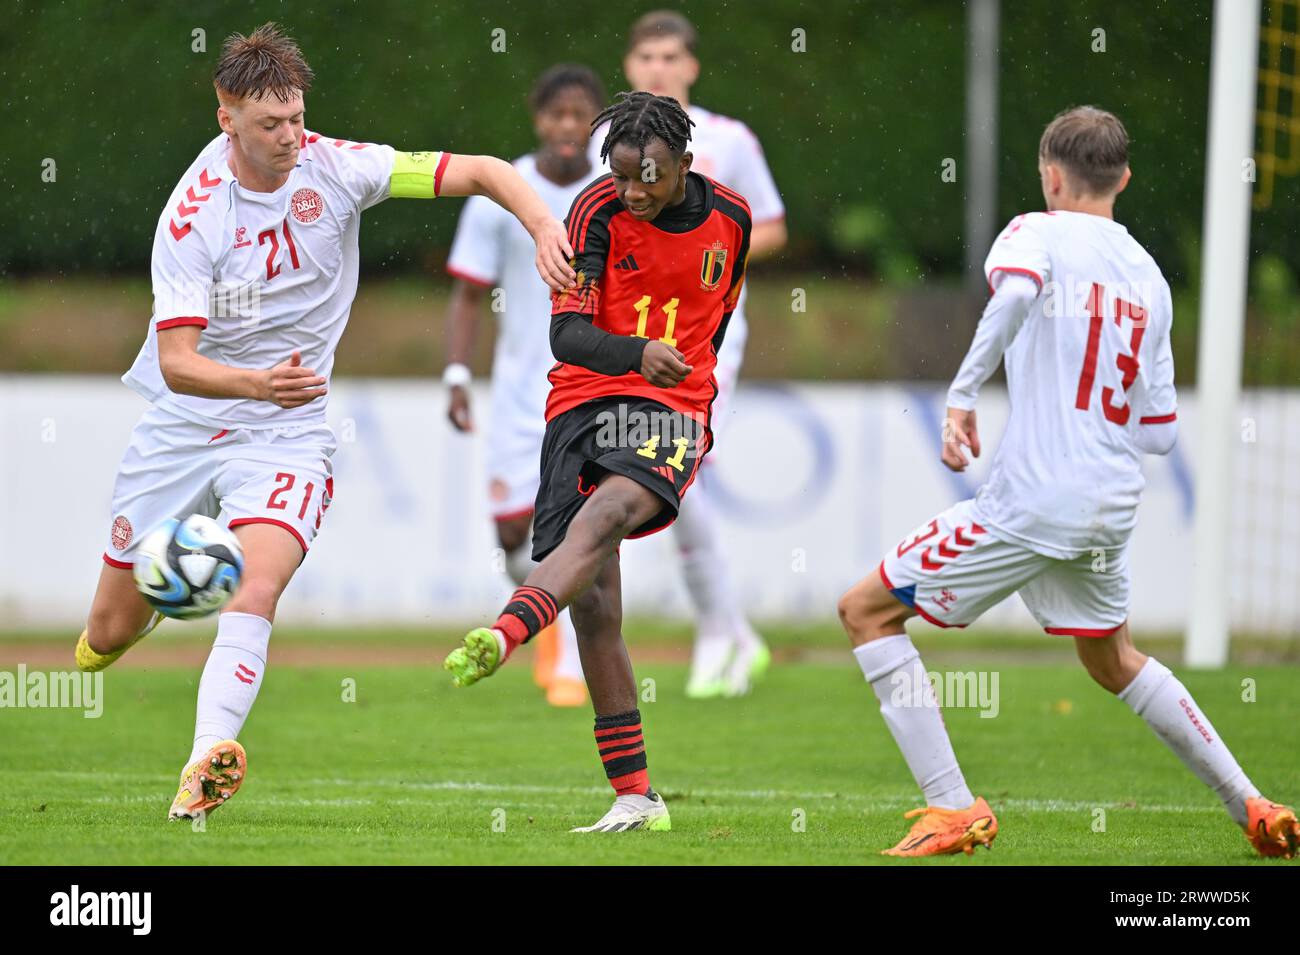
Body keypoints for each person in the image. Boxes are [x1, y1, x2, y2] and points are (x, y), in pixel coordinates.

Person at [75, 22, 574, 821]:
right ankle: (143, 608)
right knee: (107, 629)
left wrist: (543, 224)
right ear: (225, 117)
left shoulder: (340, 167)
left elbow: (479, 170)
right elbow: (177, 361)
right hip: (186, 420)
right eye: (270, 123)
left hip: (290, 427)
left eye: (298, 117)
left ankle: (204, 762)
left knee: (254, 584)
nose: (290, 136)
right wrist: (253, 381)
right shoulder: (192, 215)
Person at [835, 106, 1299, 859]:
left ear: (1051, 174)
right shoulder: (1150, 274)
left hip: (1033, 500)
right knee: (1112, 658)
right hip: (1110, 504)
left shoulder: (1034, 231)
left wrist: (962, 393)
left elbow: (1015, 296)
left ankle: (952, 806)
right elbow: (1159, 432)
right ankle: (1251, 802)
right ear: (1123, 178)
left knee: (865, 611)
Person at [443, 91, 752, 832]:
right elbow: (569, 335)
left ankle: (507, 631)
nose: (635, 192)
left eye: (650, 177)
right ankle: (636, 798)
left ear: (685, 161)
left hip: (674, 409)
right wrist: (638, 351)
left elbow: (721, 312)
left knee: (609, 508)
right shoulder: (593, 213)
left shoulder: (731, 220)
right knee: (597, 607)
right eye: (621, 176)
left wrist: (688, 381)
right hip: (581, 402)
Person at [592, 10, 786, 697]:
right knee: (655, 471)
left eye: (672, 57)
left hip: (703, 341)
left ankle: (721, 628)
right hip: (628, 340)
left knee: (678, 468)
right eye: (647, 58)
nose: (659, 70)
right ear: (630, 67)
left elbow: (770, 228)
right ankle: (732, 630)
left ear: (692, 67)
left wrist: (703, 254)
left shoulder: (728, 140)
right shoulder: (609, 147)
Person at [443, 64, 608, 708]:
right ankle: (547, 619)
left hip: (591, 386)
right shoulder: (503, 188)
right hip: (518, 391)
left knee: (575, 525)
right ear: (538, 119)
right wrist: (458, 373)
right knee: (515, 534)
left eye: (580, 115)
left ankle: (566, 661)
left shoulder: (616, 192)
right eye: (556, 114)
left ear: (596, 122)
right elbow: (467, 293)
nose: (567, 127)